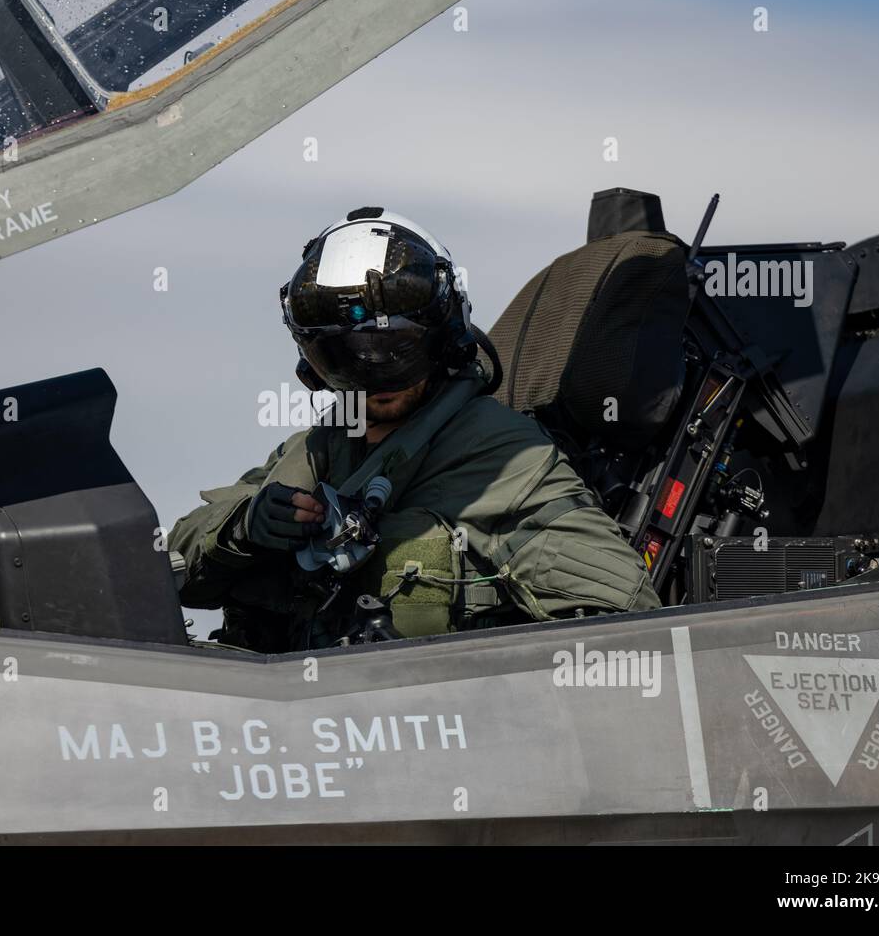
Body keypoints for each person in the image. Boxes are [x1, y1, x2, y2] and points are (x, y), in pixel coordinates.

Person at [169, 207, 658, 652]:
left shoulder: (501, 456)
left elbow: (630, 628)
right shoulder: (315, 450)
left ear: (446, 340)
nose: (378, 381)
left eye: (397, 353)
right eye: (349, 360)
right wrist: (241, 528)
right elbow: (170, 567)